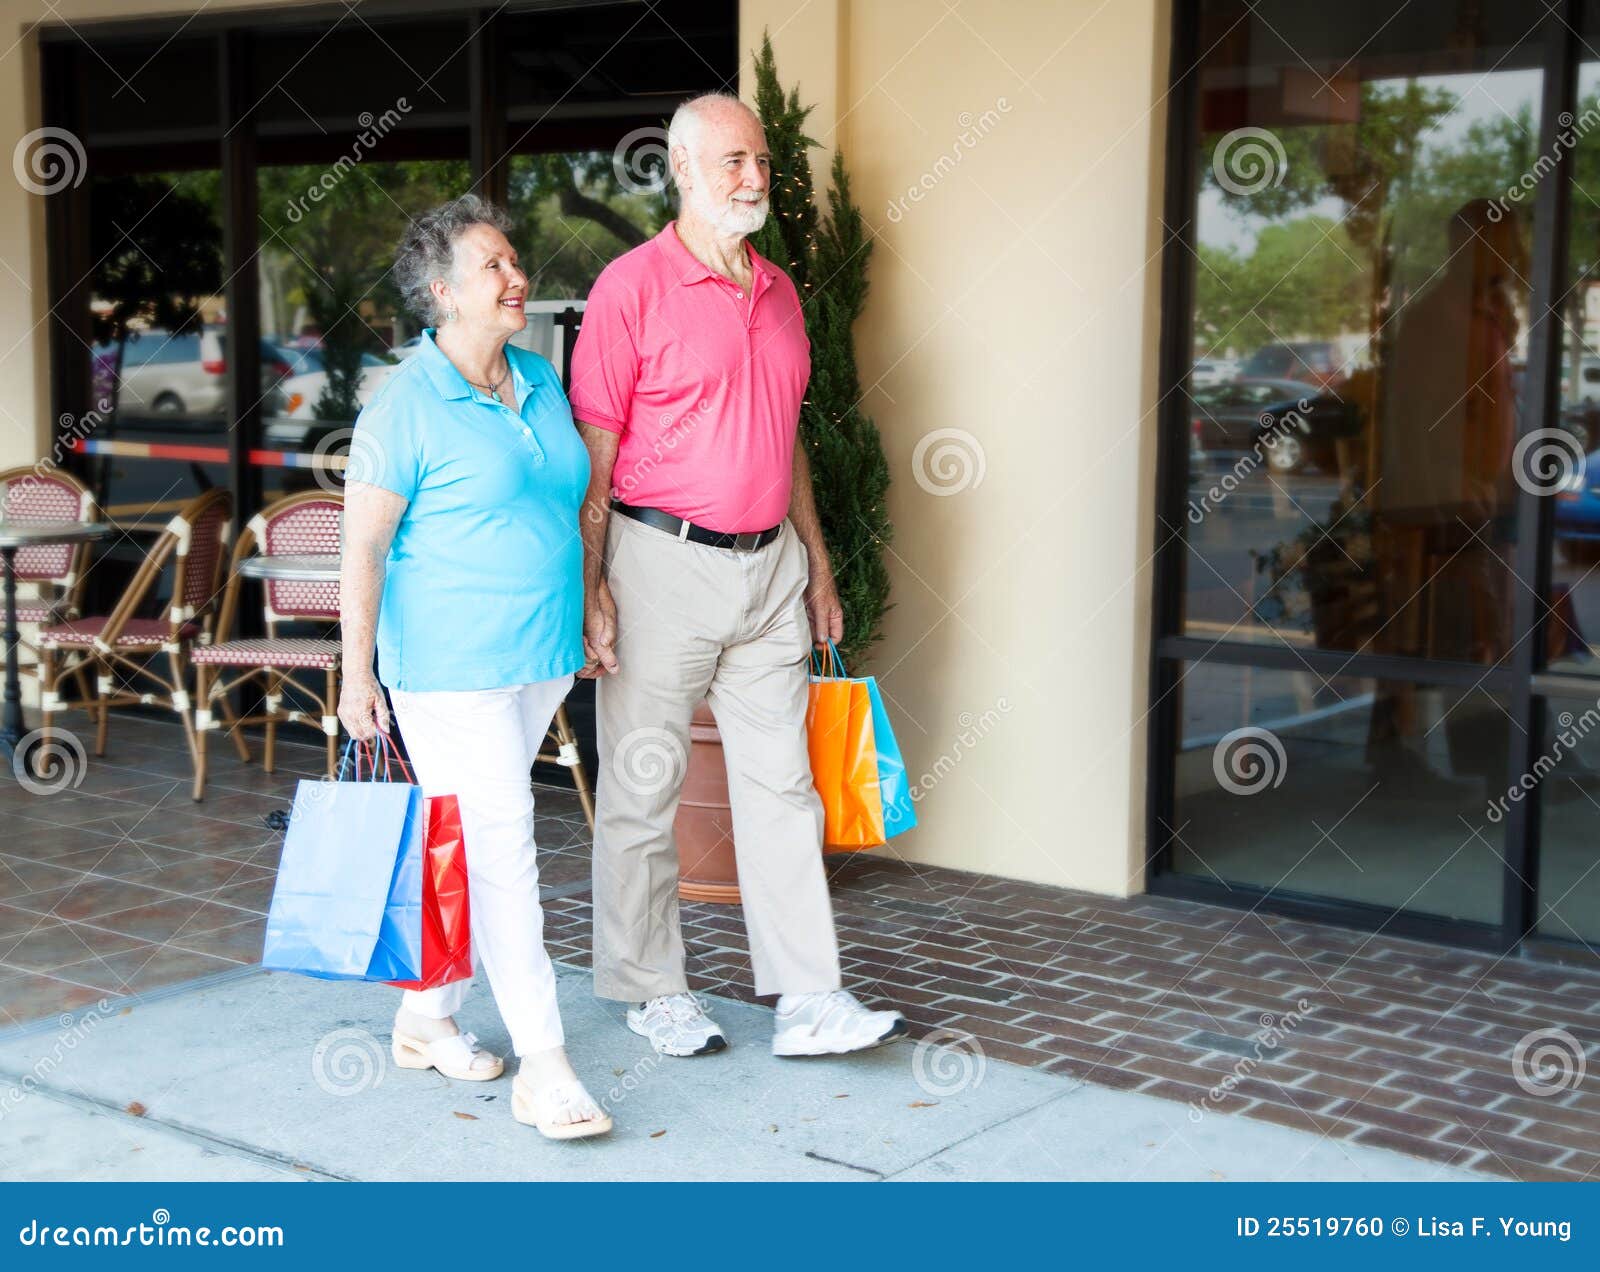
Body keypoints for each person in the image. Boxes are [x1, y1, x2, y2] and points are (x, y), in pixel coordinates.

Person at [569, 93, 906, 1059]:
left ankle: (808, 999)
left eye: (761, 162)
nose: (754, 178)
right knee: (643, 783)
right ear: (681, 170)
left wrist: (817, 563)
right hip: (658, 561)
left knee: (784, 789)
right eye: (732, 163)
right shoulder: (631, 287)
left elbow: (785, 432)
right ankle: (650, 986)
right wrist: (592, 583)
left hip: (770, 572)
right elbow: (597, 452)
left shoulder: (780, 292)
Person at [338, 194, 610, 1140]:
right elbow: (362, 549)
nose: (515, 276)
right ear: (442, 293)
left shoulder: (537, 377)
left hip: (540, 653)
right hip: (448, 668)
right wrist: (354, 673)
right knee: (504, 850)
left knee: (469, 836)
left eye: (514, 259)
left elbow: (576, 504)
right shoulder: (402, 405)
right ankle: (546, 1065)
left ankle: (425, 1019)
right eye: (493, 265)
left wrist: (595, 603)